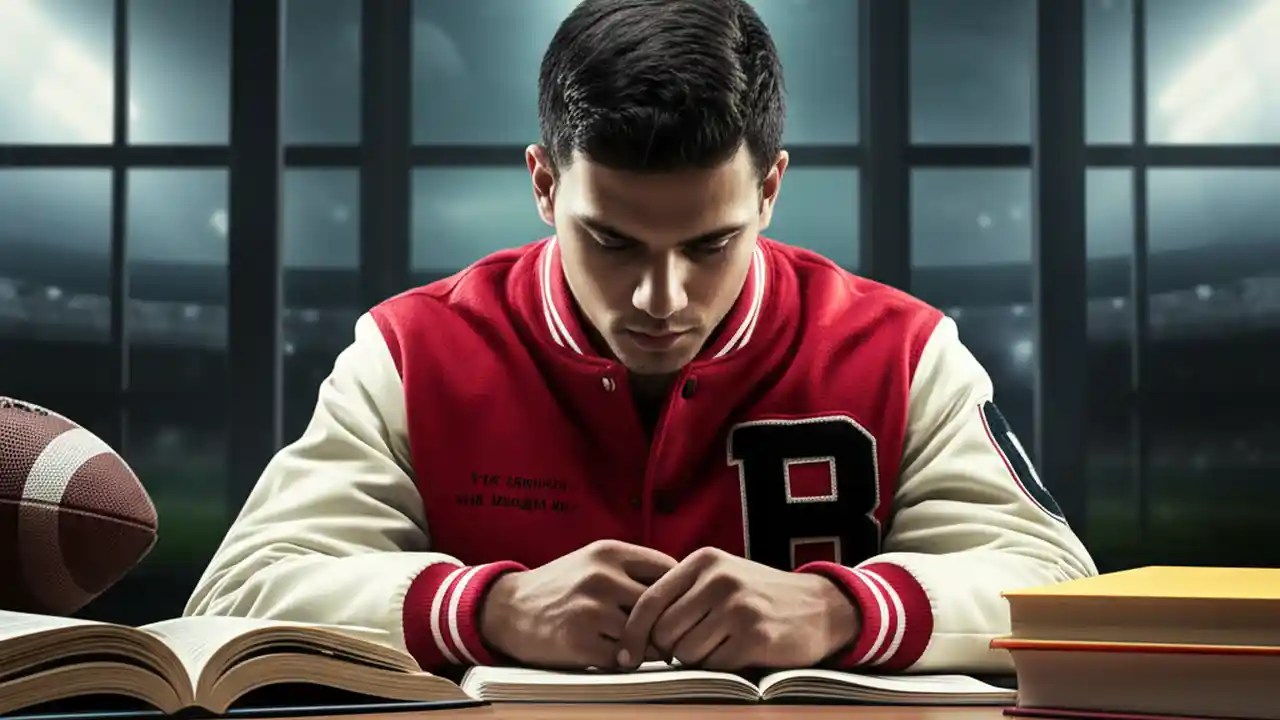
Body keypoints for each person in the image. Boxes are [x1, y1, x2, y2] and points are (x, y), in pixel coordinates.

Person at [185, 0, 1096, 675]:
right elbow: (234, 593)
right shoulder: (408, 351)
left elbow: (1060, 591)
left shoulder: (905, 351)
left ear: (770, 190)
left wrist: (838, 609)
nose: (663, 299)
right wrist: (488, 606)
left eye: (711, 244)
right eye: (612, 242)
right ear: (543, 185)